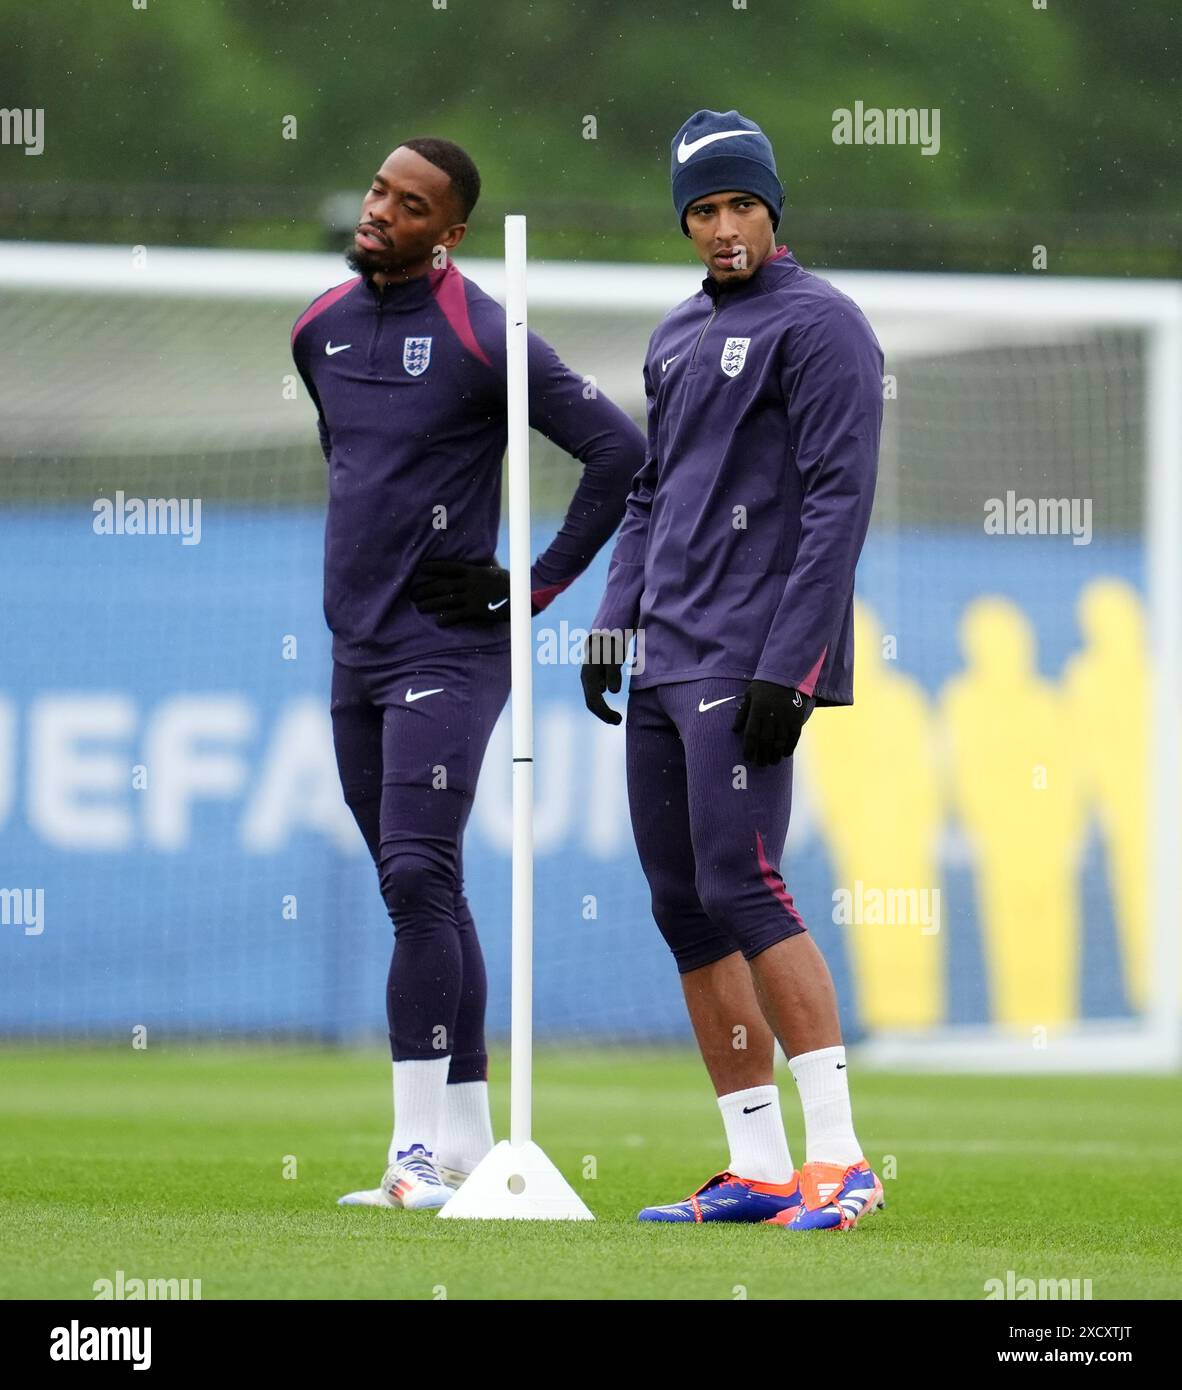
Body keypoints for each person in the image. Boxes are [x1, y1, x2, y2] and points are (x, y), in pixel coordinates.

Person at [292, 137, 644, 1209]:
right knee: (425, 892)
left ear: (449, 233)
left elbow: (620, 452)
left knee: (413, 873)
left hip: (447, 649)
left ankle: (406, 1155)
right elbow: (356, 465)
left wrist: (531, 588)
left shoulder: (486, 333)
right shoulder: (317, 329)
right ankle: (466, 1150)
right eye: (376, 191)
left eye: (408, 205)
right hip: (354, 646)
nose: (378, 212)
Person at [581, 109, 885, 1231]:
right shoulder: (672, 337)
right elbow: (652, 495)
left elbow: (840, 504)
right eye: (702, 210)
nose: (721, 227)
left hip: (750, 657)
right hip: (664, 653)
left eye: (739, 205)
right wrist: (614, 623)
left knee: (744, 883)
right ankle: (757, 1165)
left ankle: (843, 1159)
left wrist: (793, 664)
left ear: (773, 207)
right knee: (684, 904)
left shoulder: (824, 325)